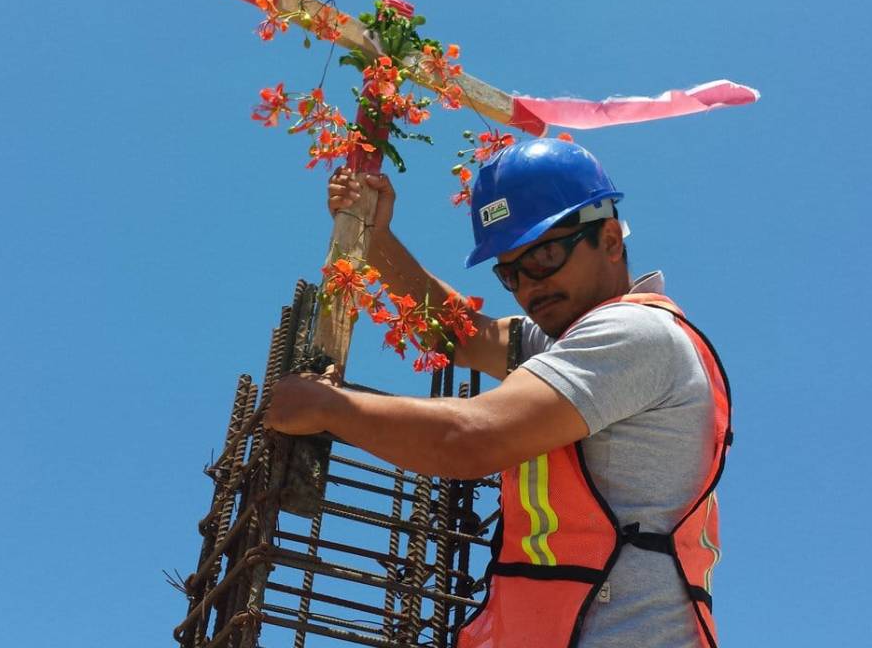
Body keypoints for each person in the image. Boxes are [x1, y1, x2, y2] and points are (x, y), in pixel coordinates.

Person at [268, 138, 732, 648]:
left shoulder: (633, 334)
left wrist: (330, 407)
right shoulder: (568, 339)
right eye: (511, 273)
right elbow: (460, 334)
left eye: (546, 256)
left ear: (610, 240)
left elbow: (472, 439)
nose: (530, 288)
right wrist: (376, 238)